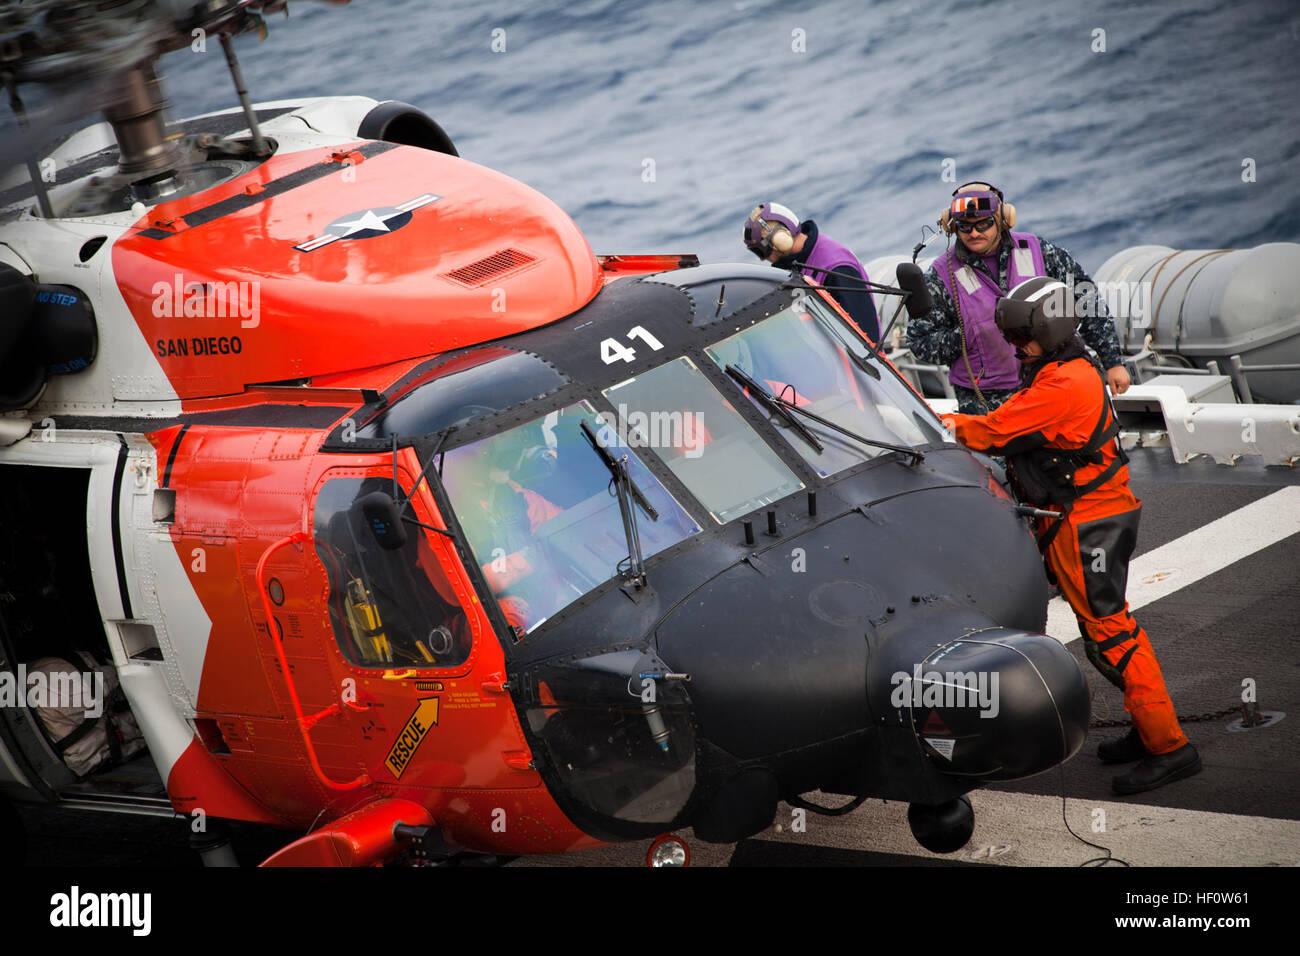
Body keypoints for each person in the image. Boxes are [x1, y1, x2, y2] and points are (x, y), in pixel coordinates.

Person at [941, 277, 1201, 795]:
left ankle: (1170, 747)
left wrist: (934, 423)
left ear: (1047, 332)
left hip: (1089, 524)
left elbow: (992, 430)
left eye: (1021, 338)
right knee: (1105, 630)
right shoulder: (1068, 364)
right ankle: (1147, 731)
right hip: (1087, 515)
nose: (1017, 348)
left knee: (1112, 635)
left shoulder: (1063, 384)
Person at [908, 182, 1131, 415]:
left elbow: (1087, 298)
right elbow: (919, 341)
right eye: (965, 226)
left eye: (983, 224)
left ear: (1002, 219)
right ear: (952, 227)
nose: (974, 233)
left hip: (1051, 382)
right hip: (986, 402)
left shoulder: (1038, 250)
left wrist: (1113, 362)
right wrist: (969, 335)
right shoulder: (940, 276)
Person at [743, 202, 879, 342]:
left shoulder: (836, 268)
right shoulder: (794, 266)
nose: (762, 259)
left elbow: (867, 338)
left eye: (761, 250)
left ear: (780, 240)